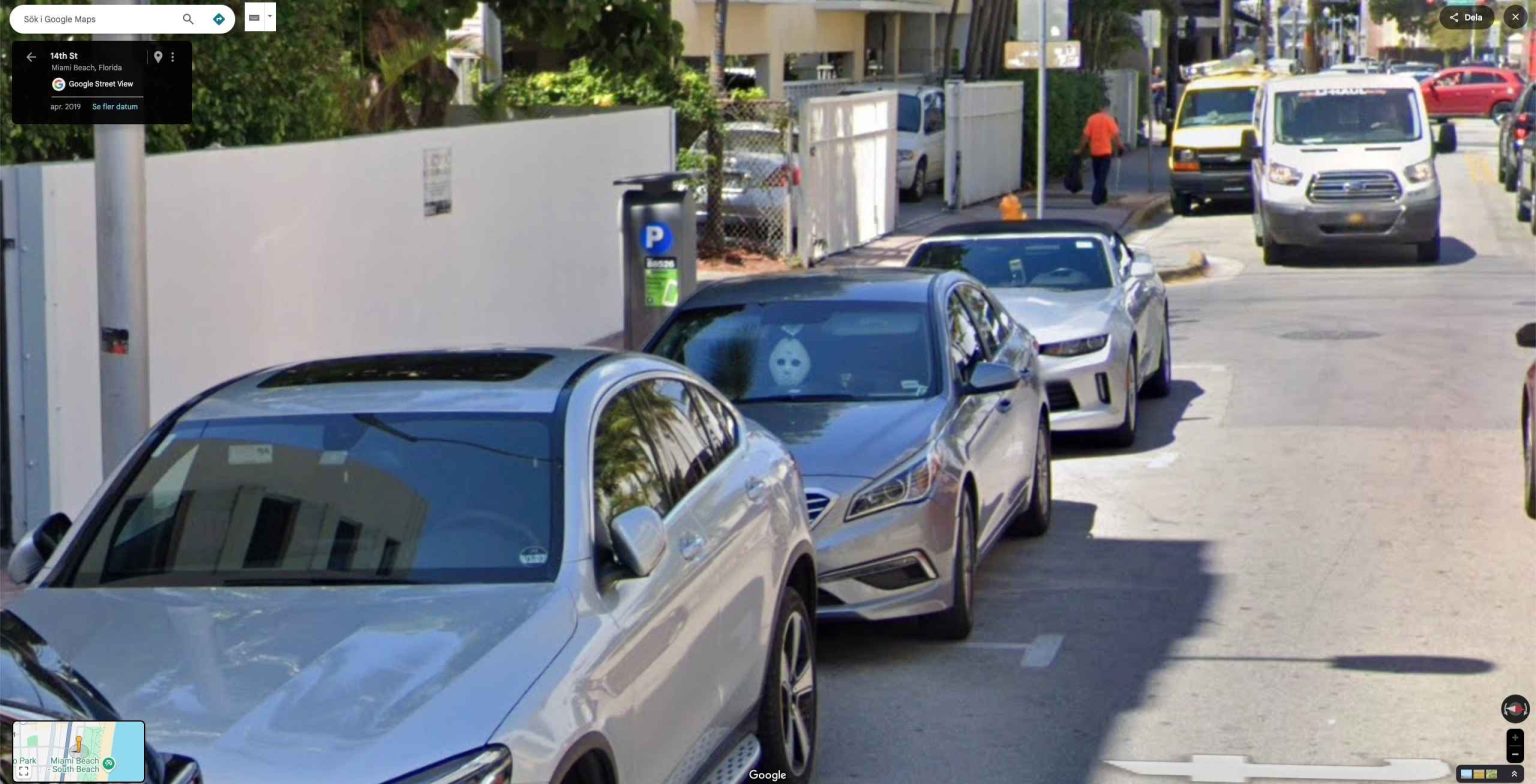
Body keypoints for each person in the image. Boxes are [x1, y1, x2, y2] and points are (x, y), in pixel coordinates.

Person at [1078, 101, 1126, 206]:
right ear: (1106, 108)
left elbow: (1085, 136)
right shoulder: (1110, 120)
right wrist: (1120, 146)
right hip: (1105, 152)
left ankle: (1103, 197)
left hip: (1095, 152)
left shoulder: (1091, 119)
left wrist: (1080, 149)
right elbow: (1116, 135)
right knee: (1102, 176)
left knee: (1097, 175)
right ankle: (1096, 197)